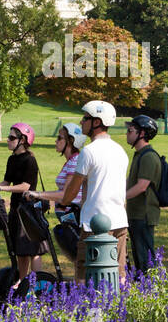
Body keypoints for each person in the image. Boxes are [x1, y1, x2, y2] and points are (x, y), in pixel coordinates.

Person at [42, 100, 128, 283]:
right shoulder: (120, 151)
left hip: (93, 223)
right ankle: (118, 310)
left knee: (84, 274)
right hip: (120, 221)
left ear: (97, 122)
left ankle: (89, 311)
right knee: (119, 274)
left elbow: (72, 191)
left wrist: (63, 201)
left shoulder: (88, 152)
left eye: (85, 118)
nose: (81, 122)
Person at [0, 122, 44, 284]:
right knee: (20, 251)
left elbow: (25, 186)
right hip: (15, 209)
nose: (8, 140)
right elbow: (7, 181)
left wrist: (3, 190)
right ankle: (22, 282)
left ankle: (36, 284)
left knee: (33, 250)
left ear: (22, 140)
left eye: (11, 137)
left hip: (28, 210)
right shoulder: (12, 159)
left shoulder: (30, 160)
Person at [125, 114, 162, 273]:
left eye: (130, 130)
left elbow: (141, 186)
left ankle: (150, 291)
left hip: (144, 214)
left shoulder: (148, 157)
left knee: (146, 259)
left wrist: (117, 198)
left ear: (142, 134)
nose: (127, 133)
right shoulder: (139, 155)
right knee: (139, 258)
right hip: (135, 214)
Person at [27, 122, 85, 208]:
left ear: (70, 141)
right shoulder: (71, 161)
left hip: (72, 214)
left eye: (59, 138)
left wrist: (38, 194)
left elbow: (65, 194)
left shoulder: (74, 162)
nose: (56, 141)